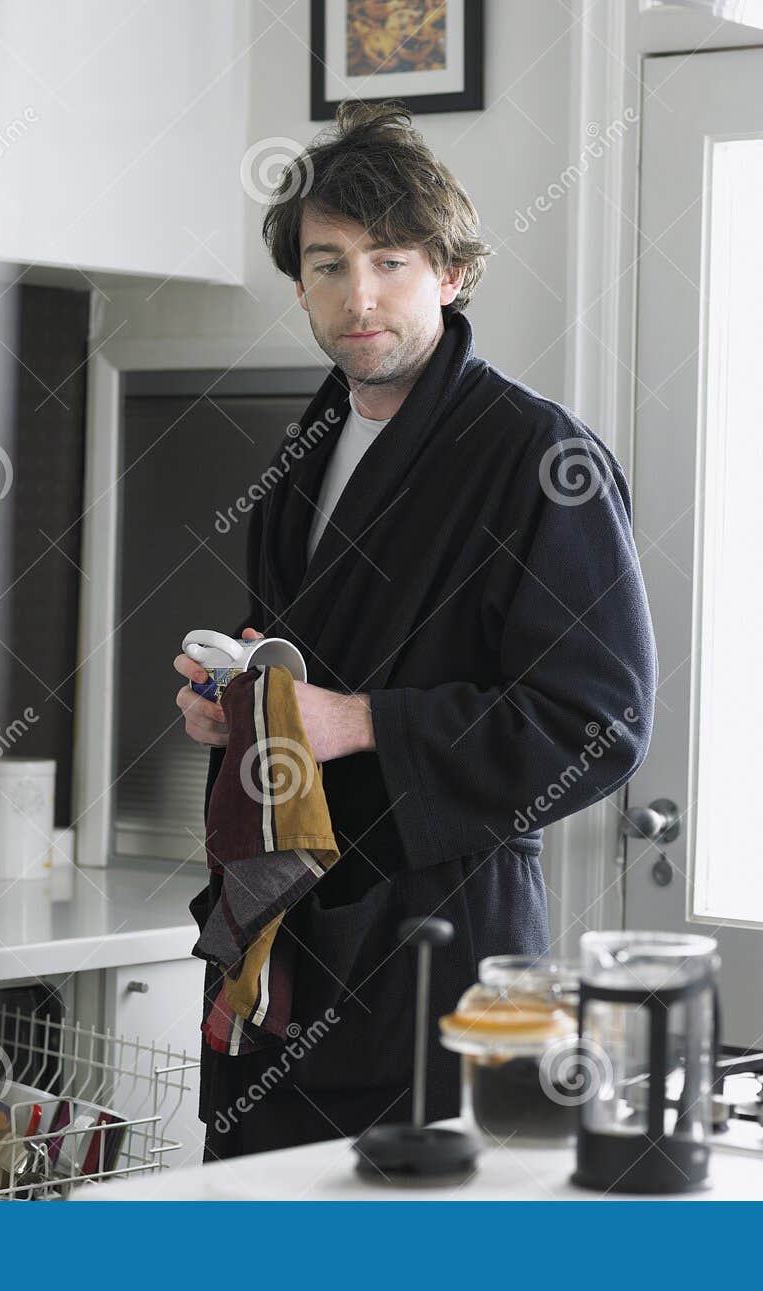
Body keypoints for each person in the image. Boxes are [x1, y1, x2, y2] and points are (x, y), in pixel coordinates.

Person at [173, 100, 656, 1160]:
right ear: (298, 281)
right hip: (283, 949)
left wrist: (362, 723)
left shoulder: (536, 459)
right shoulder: (301, 453)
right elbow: (305, 668)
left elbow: (598, 724)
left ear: (449, 271)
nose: (361, 296)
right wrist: (242, 712)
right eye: (329, 262)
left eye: (390, 259)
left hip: (443, 958)